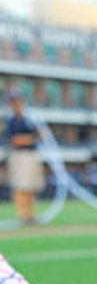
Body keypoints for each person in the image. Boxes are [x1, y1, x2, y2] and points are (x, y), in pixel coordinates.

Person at [4, 90, 43, 226]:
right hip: (20, 156)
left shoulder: (29, 119)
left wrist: (34, 137)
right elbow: (14, 140)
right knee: (21, 187)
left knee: (31, 187)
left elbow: (40, 136)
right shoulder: (12, 121)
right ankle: (23, 216)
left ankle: (31, 216)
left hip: (31, 154)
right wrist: (29, 139)